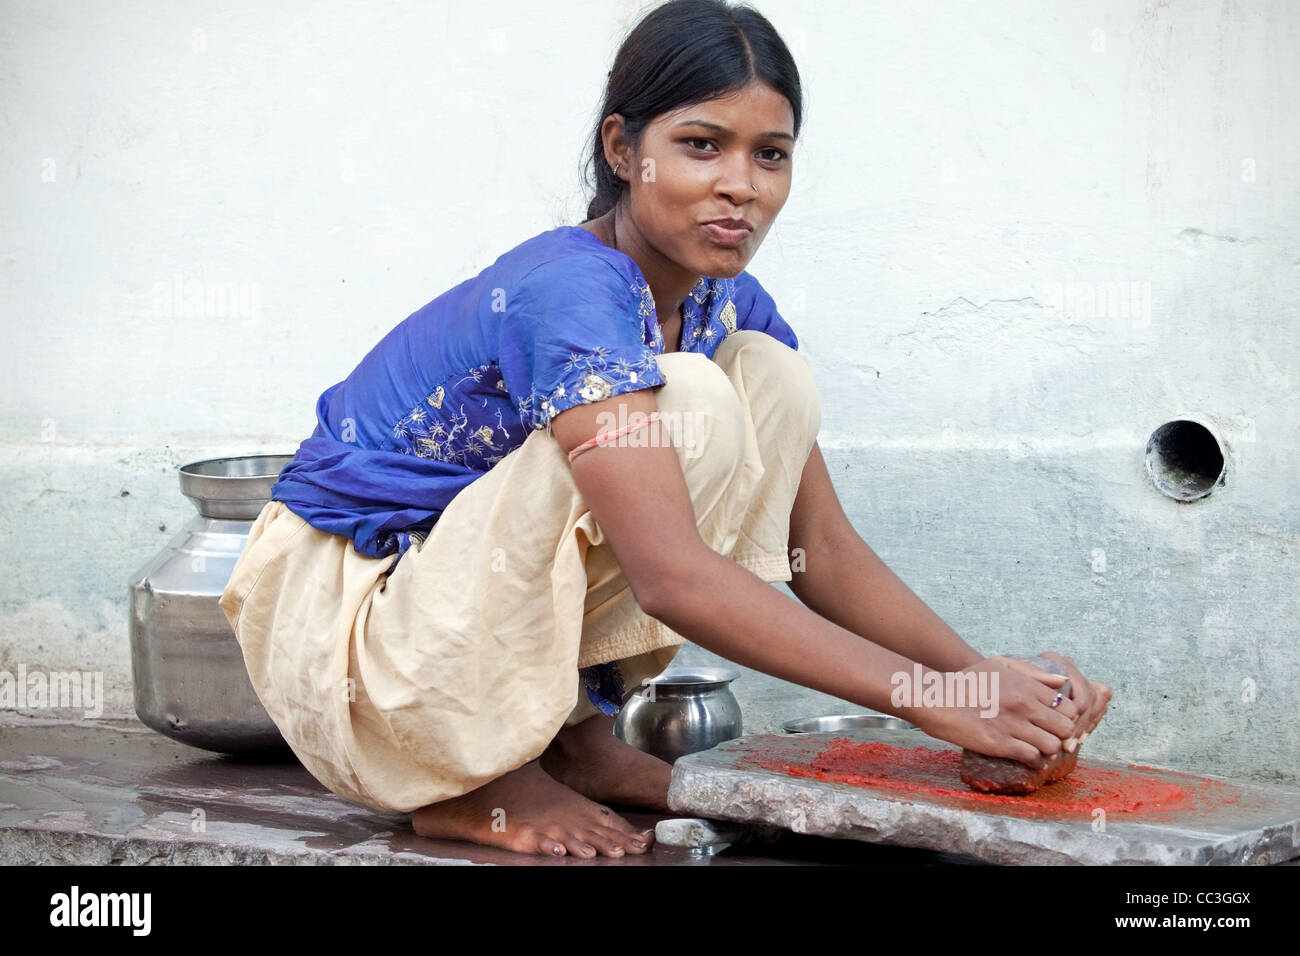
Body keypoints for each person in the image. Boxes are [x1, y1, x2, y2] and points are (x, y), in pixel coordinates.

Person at [220, 0, 1111, 861]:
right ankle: (466, 782)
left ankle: (569, 736)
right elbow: (672, 577)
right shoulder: (573, 289)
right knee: (690, 399)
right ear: (622, 149)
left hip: (437, 610)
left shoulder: (730, 306)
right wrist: (930, 703)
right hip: (353, 634)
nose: (741, 186)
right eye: (699, 145)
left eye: (771, 155)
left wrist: (974, 677)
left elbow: (822, 550)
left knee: (768, 379)